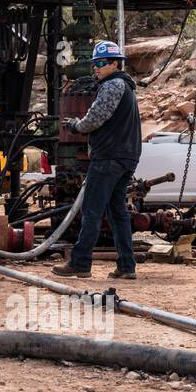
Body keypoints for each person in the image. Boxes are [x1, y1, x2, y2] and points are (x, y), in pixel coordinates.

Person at [52, 40, 142, 280]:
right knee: (117, 212)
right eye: (95, 63)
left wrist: (75, 125)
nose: (96, 68)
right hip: (125, 157)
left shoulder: (113, 85)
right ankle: (126, 266)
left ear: (115, 63)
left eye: (102, 63)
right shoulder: (128, 88)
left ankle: (80, 263)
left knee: (91, 210)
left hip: (108, 157)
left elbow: (95, 118)